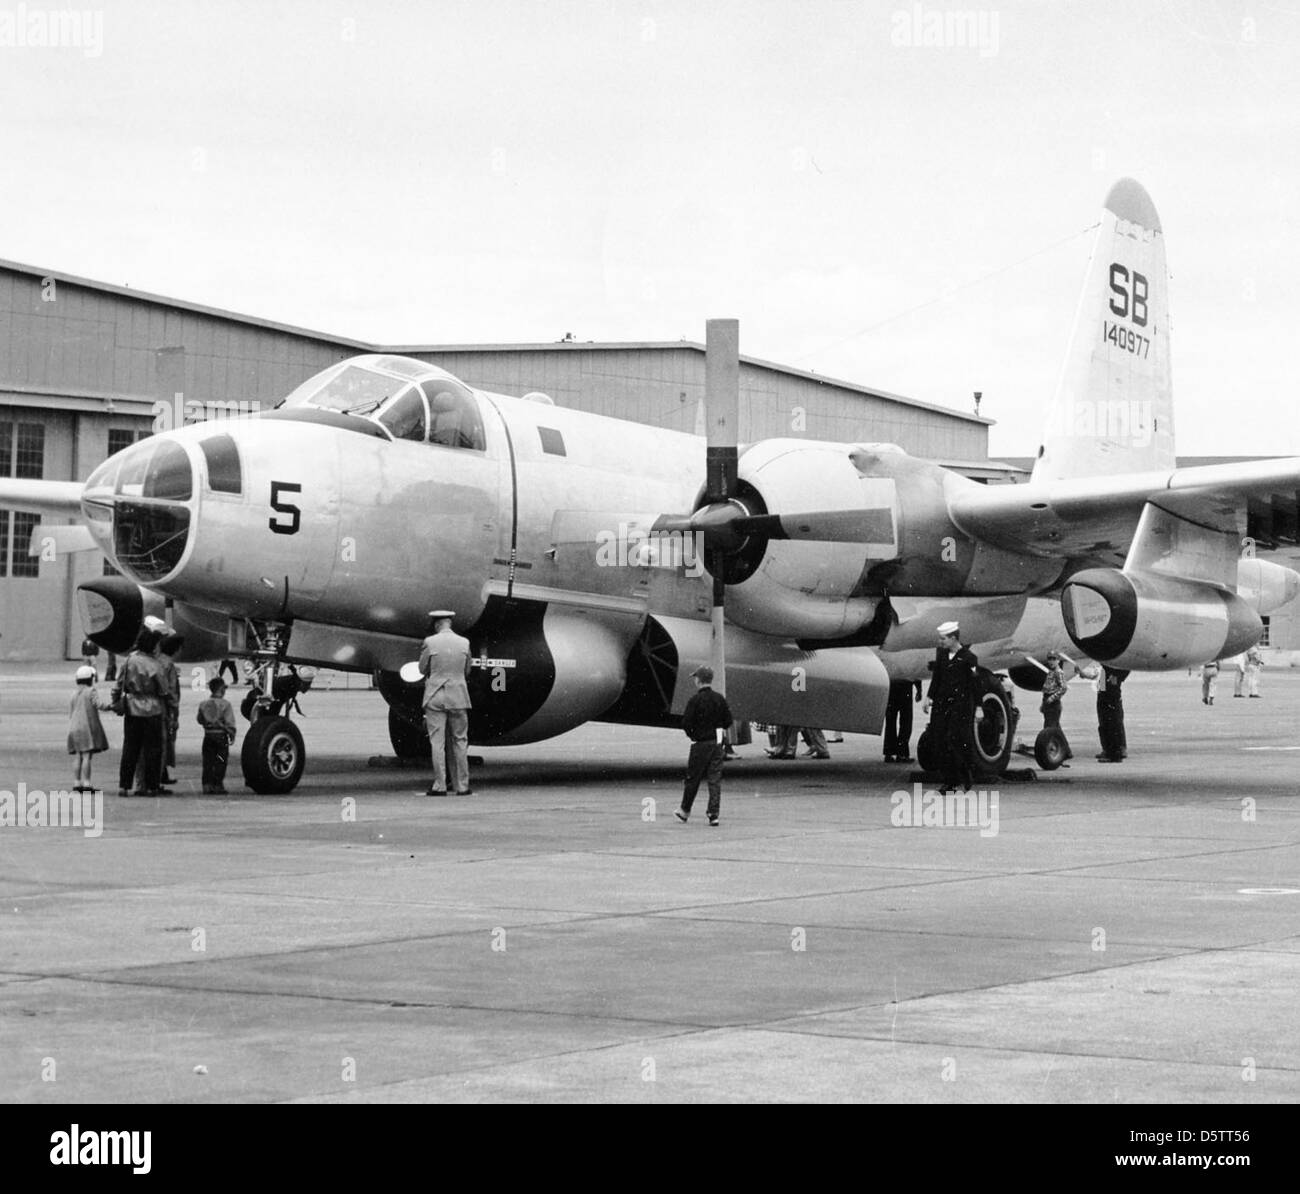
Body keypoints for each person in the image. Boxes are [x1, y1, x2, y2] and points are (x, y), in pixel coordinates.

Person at [418, 610, 473, 796]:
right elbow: (467, 670)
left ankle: (440, 785)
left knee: (437, 742)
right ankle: (462, 786)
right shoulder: (464, 642)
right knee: (460, 740)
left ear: (436, 625)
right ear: (450, 624)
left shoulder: (429, 642)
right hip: (458, 696)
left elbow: (421, 668)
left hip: (435, 695)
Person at [923, 621, 979, 793]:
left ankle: (965, 773)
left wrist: (980, 707)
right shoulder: (941, 655)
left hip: (960, 706)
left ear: (953, 638)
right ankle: (949, 781)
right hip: (941, 704)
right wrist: (929, 697)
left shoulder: (969, 658)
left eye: (943, 639)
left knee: (955, 741)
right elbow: (937, 678)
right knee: (939, 741)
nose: (941, 642)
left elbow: (974, 685)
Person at [675, 665, 733, 826]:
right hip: (716, 743)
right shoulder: (719, 698)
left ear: (699, 680)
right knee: (714, 779)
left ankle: (684, 810)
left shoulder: (695, 700)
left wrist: (693, 735)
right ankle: (714, 814)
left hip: (700, 744)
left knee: (693, 778)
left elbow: (686, 723)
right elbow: (728, 721)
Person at [114, 627, 168, 797]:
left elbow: (119, 684)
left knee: (130, 748)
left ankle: (124, 785)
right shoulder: (156, 664)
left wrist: (116, 701)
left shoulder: (129, 660)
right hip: (153, 709)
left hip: (132, 707)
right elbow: (164, 690)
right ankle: (152, 785)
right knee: (153, 749)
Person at [68, 664, 109, 793]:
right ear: (90, 678)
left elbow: (71, 712)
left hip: (74, 727)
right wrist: (111, 706)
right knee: (86, 756)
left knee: (78, 755)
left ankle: (76, 782)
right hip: (87, 728)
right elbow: (99, 704)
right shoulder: (91, 691)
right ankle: (87, 783)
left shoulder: (74, 694)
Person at [197, 677, 237, 793]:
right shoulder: (226, 705)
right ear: (221, 689)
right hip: (221, 736)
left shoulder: (203, 704)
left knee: (208, 761)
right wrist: (232, 733)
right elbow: (229, 722)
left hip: (208, 735)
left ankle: (206, 785)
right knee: (220, 761)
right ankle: (217, 785)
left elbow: (199, 719)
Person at [158, 632, 184, 786]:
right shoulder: (169, 665)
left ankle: (162, 773)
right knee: (165, 742)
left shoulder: (157, 660)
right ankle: (160, 775)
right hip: (165, 709)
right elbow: (172, 692)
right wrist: (174, 714)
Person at [1040, 652, 1073, 763]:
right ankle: (1066, 751)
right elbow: (1046, 689)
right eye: (1049, 658)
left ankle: (1055, 753)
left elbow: (1063, 688)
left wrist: (1052, 698)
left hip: (1053, 703)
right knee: (1055, 728)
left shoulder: (1058, 672)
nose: (1051, 661)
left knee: (1050, 729)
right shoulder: (1050, 672)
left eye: (1054, 659)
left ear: (1058, 660)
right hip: (1047, 702)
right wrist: (1043, 704)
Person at [1095, 665, 1128, 762]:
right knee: (1103, 725)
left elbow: (1127, 666)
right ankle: (1107, 749)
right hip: (1103, 696)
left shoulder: (1115, 669)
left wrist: (1117, 677)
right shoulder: (1104, 669)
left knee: (1113, 726)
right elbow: (1101, 686)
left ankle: (1115, 753)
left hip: (1111, 698)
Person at [883, 678, 921, 762]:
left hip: (891, 686)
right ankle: (902, 753)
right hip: (905, 686)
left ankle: (889, 752)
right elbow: (913, 668)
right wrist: (919, 688)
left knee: (890, 722)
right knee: (906, 721)